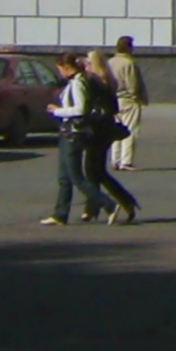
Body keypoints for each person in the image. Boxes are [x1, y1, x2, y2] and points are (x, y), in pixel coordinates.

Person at [42, 53, 109, 226]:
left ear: (66, 67)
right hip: (68, 132)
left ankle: (108, 204)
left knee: (76, 177)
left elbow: (81, 109)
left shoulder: (78, 83)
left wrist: (57, 111)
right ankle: (60, 214)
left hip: (74, 133)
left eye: (60, 69)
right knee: (64, 178)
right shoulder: (75, 82)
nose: (60, 74)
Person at [81, 51, 139, 224]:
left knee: (94, 171)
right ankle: (93, 208)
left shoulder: (93, 81)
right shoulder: (107, 79)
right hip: (106, 128)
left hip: (97, 129)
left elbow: (91, 105)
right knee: (95, 170)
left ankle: (123, 202)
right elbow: (112, 107)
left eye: (87, 60)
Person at [107, 35, 147, 171]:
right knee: (130, 130)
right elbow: (133, 84)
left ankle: (115, 159)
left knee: (115, 130)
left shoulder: (110, 62)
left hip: (113, 98)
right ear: (129, 47)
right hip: (128, 100)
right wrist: (138, 97)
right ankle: (126, 161)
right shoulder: (129, 63)